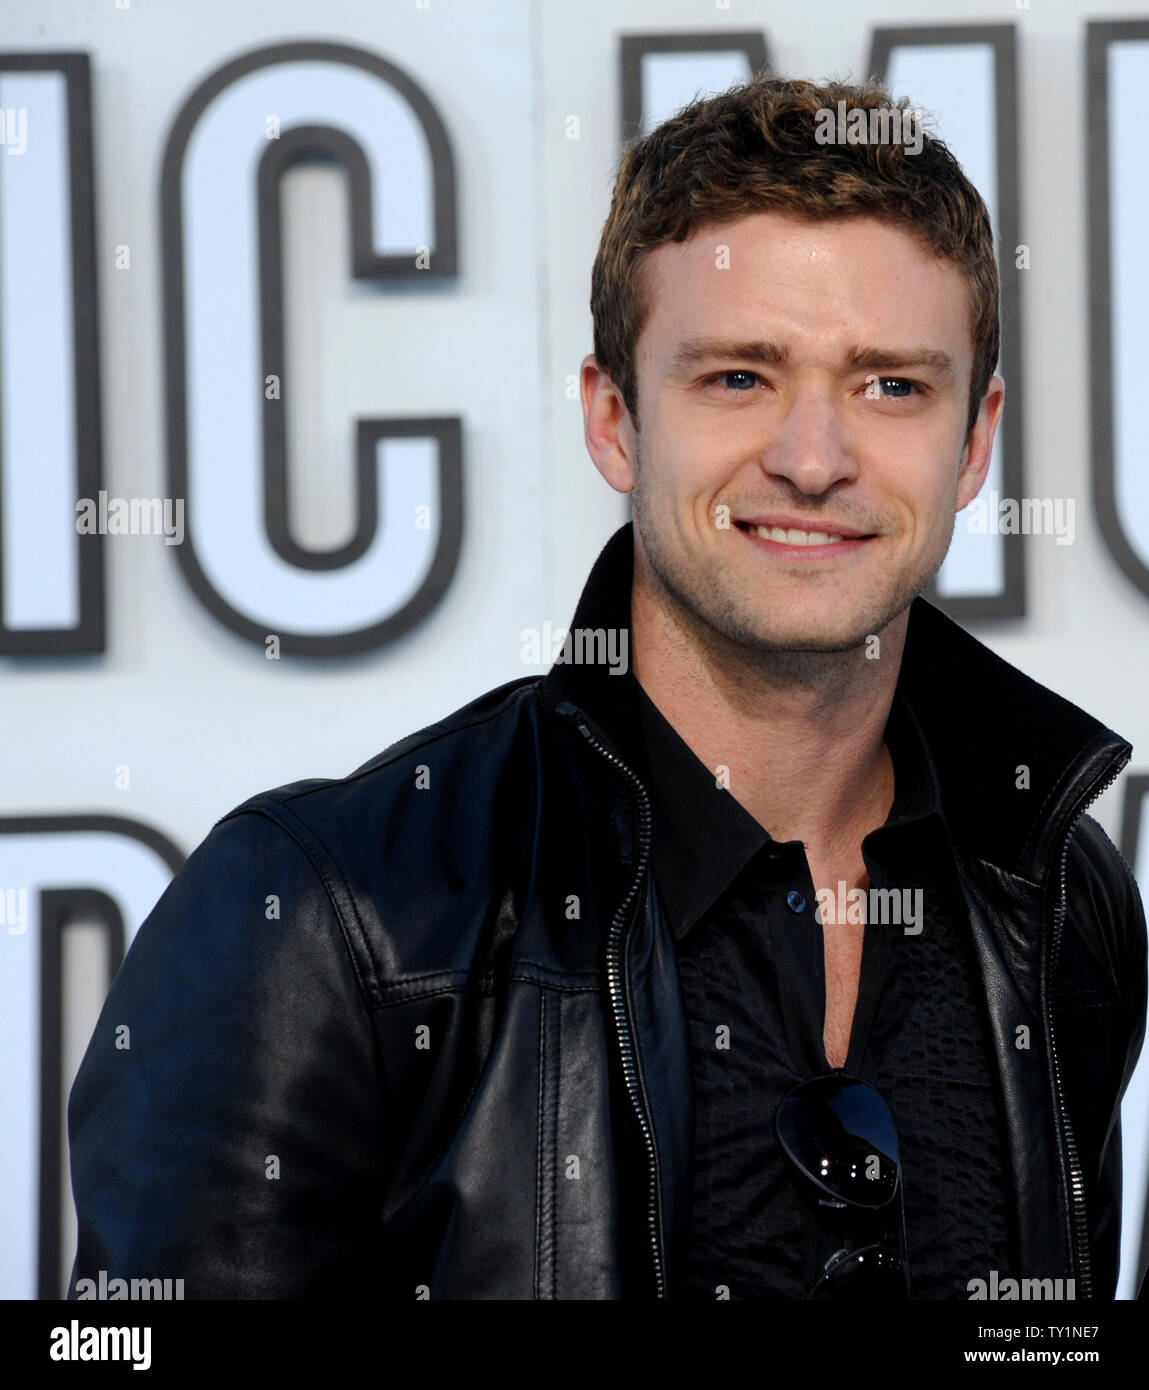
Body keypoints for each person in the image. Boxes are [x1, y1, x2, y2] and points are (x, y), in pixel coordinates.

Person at [67, 73, 1146, 1301]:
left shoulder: (1057, 900)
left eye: (890, 384)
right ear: (614, 420)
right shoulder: (327, 918)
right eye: (738, 377)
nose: (813, 457)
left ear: (977, 439)